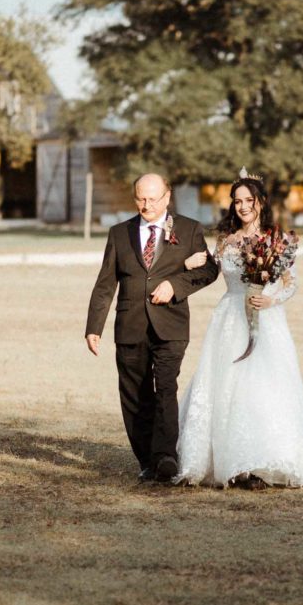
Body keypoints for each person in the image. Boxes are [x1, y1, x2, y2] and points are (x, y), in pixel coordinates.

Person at [176, 172, 303, 489]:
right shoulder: (226, 240)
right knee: (226, 386)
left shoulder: (276, 240)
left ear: (261, 202)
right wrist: (190, 261)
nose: (243, 206)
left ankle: (259, 461)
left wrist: (272, 299)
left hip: (265, 318)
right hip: (229, 317)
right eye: (238, 201)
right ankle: (230, 463)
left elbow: (292, 283)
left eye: (249, 200)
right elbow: (212, 269)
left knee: (262, 387)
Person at [85, 173, 218, 483]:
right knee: (135, 393)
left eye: (153, 199)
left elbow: (209, 270)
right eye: (140, 199)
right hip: (130, 325)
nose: (146, 205)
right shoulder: (119, 233)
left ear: (167, 197)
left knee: (166, 388)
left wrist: (175, 285)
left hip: (171, 325)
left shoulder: (189, 229)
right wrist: (94, 326)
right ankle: (146, 459)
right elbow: (106, 283)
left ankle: (166, 456)